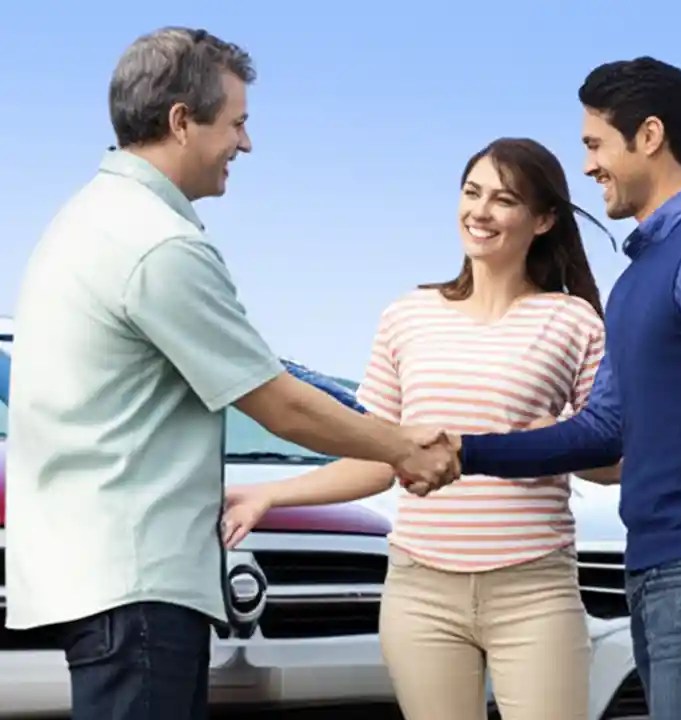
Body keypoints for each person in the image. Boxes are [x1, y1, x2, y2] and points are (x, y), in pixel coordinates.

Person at [3, 27, 451, 720]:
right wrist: (402, 448)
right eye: (237, 123)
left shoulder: (88, 219)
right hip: (139, 589)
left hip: (107, 584)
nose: (246, 144)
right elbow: (278, 404)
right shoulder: (156, 243)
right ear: (183, 121)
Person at [412, 57, 681, 719]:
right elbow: (602, 429)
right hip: (653, 569)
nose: (589, 166)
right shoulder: (637, 279)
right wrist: (465, 452)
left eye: (596, 144)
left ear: (648, 137)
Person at [219, 137, 619, 720]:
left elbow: (610, 462)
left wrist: (549, 438)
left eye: (503, 200)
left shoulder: (573, 320)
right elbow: (378, 457)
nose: (479, 212)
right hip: (421, 591)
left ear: (544, 219)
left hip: (534, 590)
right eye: (471, 192)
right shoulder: (408, 315)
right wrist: (270, 494)